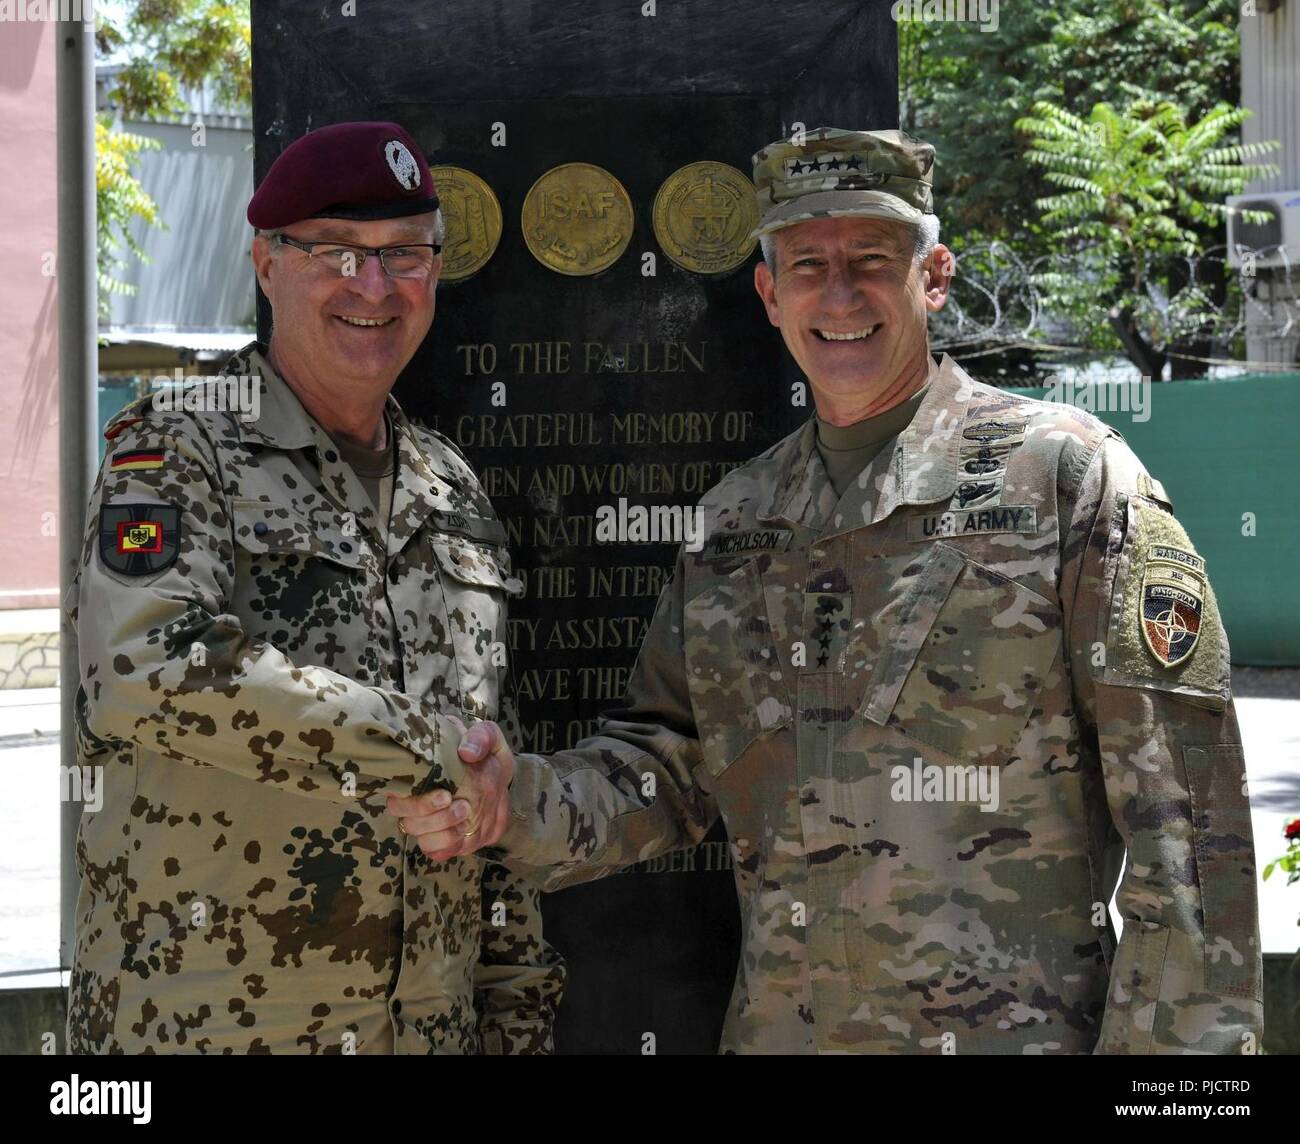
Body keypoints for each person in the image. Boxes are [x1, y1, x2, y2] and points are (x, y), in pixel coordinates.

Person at [391, 127, 1263, 1054]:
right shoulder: (734, 523)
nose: (839, 293)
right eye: (807, 263)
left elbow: (1191, 829)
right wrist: (508, 803)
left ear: (933, 277)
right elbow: (669, 767)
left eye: (872, 259)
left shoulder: (1065, 480)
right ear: (770, 294)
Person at [65, 120, 561, 1054]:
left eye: (404, 256)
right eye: (337, 252)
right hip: (215, 1028)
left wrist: (518, 1008)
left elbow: (489, 763)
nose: (372, 288)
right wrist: (422, 746)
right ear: (267, 265)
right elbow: (145, 668)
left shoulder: (448, 486)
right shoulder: (177, 445)